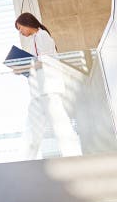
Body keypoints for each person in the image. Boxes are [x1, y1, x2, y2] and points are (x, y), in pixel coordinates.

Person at [14, 13, 81, 158]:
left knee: (59, 123)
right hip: (40, 89)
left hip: (48, 88)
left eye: (20, 28)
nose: (20, 32)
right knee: (34, 126)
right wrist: (23, 69)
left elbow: (45, 60)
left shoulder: (42, 36)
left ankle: (73, 155)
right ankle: (26, 158)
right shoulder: (35, 39)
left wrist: (23, 68)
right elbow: (37, 62)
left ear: (28, 23)